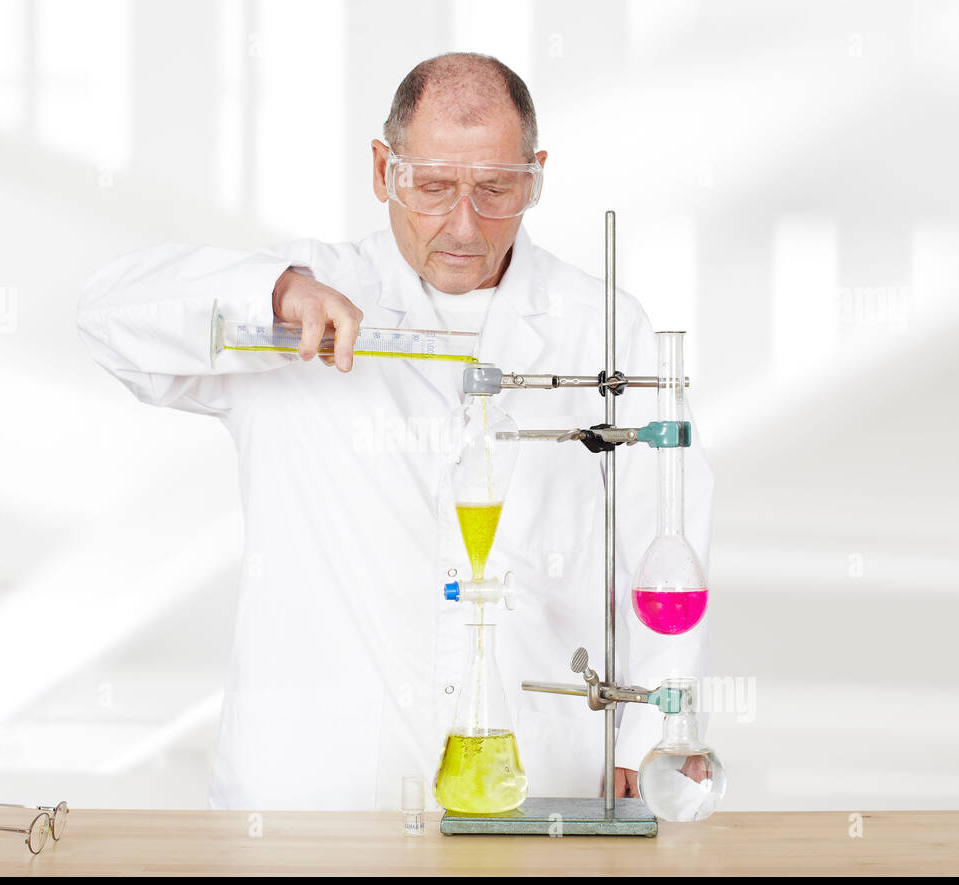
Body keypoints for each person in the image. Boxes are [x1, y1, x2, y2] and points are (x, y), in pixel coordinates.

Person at [76, 52, 713, 810]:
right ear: (384, 172)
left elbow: (664, 543)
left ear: (535, 177)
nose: (463, 225)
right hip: (316, 789)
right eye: (434, 187)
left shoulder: (603, 327)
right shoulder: (298, 296)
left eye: (496, 189)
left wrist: (648, 739)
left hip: (545, 777)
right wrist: (275, 293)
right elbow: (109, 319)